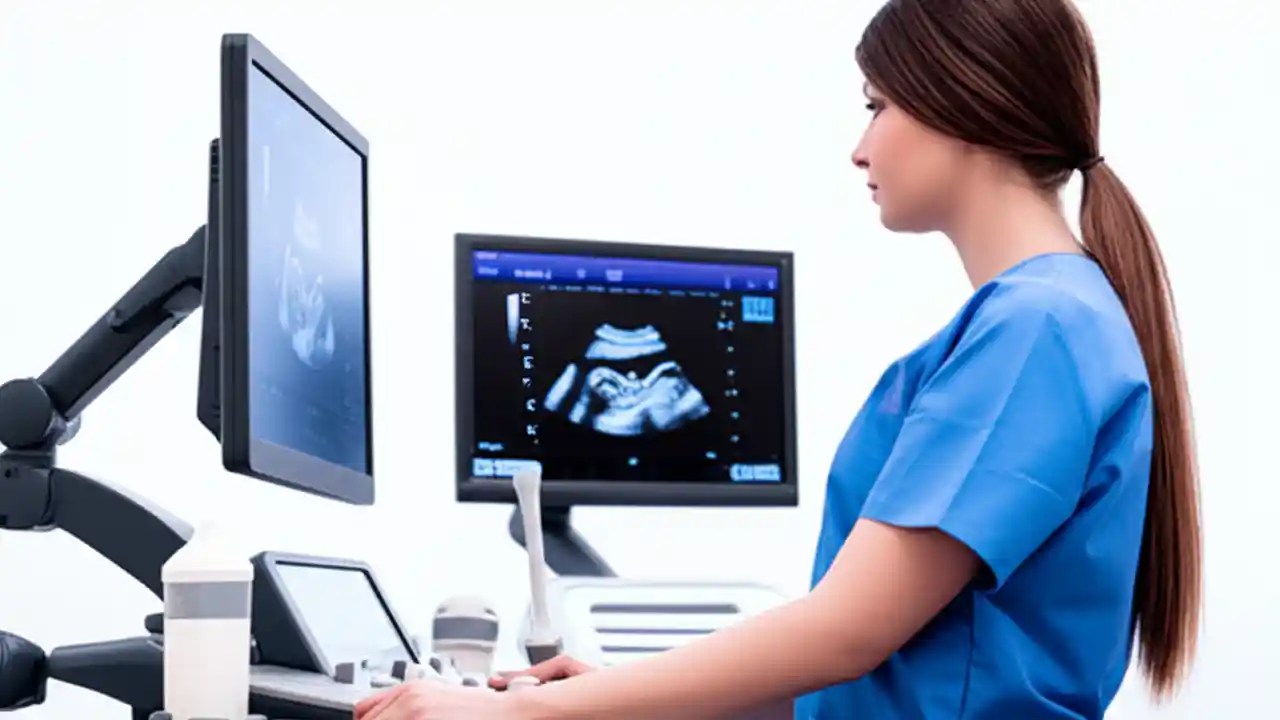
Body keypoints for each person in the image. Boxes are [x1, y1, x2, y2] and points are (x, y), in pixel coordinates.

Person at [354, 0, 1202, 717]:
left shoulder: (1038, 331)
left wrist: (522, 710)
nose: (861, 147)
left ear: (963, 104)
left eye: (878, 106)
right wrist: (616, 693)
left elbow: (848, 631)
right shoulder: (1049, 321)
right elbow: (888, 662)